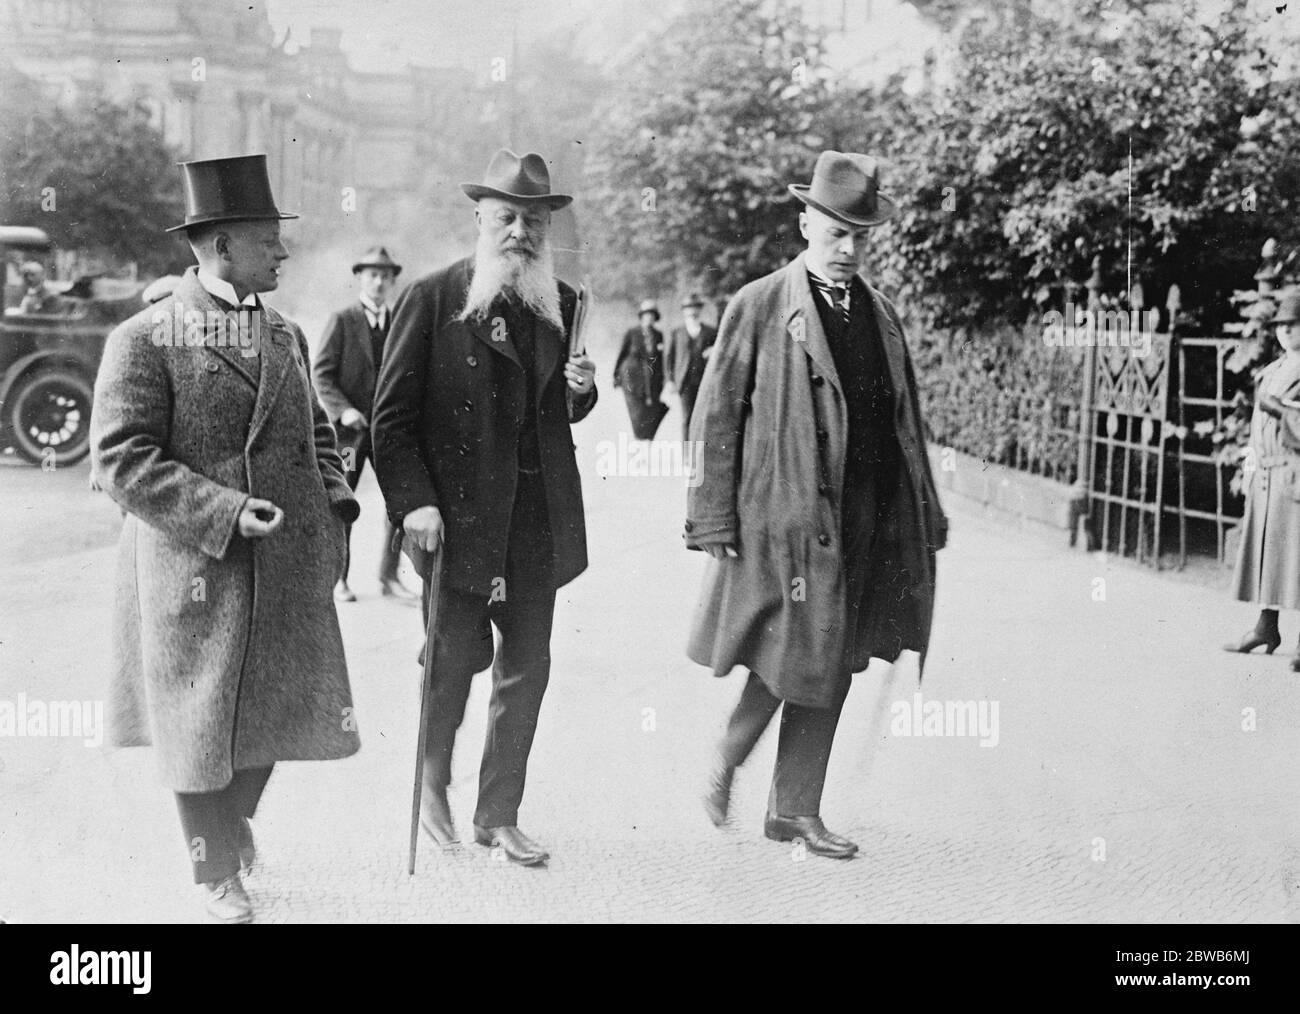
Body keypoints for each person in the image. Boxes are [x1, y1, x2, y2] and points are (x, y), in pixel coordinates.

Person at [90, 154, 361, 923]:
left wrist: (337, 507)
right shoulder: (145, 339)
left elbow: (316, 433)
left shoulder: (284, 334)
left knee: (273, 720)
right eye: (269, 240)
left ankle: (230, 823)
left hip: (281, 569)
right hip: (191, 568)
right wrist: (224, 511)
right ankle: (213, 870)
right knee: (195, 724)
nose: (282, 253)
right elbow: (118, 460)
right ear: (220, 248)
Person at [685, 150, 948, 859]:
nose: (847, 248)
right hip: (784, 514)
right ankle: (731, 754)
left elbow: (905, 421)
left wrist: (925, 511)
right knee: (796, 652)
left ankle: (792, 810)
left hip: (864, 514)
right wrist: (713, 517)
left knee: (833, 658)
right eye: (834, 232)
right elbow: (715, 417)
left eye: (860, 235)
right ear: (805, 223)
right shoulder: (761, 304)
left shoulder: (882, 315)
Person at [371, 148, 597, 866]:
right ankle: (432, 782)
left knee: (528, 665)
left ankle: (498, 813)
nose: (520, 233)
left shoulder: (557, 307)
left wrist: (580, 392)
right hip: (457, 522)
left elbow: (551, 413)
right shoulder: (433, 300)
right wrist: (413, 504)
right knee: (451, 660)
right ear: (479, 219)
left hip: (533, 522)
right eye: (507, 218)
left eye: (534, 221)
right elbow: (390, 421)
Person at [313, 245, 415, 603]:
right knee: (343, 503)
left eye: (385, 276)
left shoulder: (400, 320)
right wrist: (343, 410)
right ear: (360, 278)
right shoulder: (343, 319)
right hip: (350, 434)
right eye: (372, 275)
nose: (379, 282)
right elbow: (322, 374)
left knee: (398, 503)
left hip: (388, 432)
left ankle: (389, 578)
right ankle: (337, 579)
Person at [1226, 289, 1300, 670]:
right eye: (1281, 326)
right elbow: (1258, 424)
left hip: (1296, 471)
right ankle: (1266, 626)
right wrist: (1252, 466)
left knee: (1298, 557)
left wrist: (1283, 408)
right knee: (1271, 553)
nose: (1286, 331)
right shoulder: (1273, 370)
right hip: (1268, 472)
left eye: (1294, 324)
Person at [613, 299, 669, 440]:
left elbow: (659, 360)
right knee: (637, 414)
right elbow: (622, 354)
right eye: (646, 315)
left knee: (650, 413)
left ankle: (645, 442)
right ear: (642, 316)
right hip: (631, 379)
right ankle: (639, 442)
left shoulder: (658, 335)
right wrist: (615, 375)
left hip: (650, 381)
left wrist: (662, 379)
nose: (649, 318)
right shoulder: (632, 333)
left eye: (652, 315)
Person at [665, 293, 717, 440]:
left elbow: (719, 352)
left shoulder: (710, 332)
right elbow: (669, 358)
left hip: (704, 381)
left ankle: (701, 451)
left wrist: (713, 351)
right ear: (684, 311)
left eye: (695, 308)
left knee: (702, 416)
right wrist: (670, 380)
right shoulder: (677, 332)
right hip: (685, 381)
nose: (692, 312)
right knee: (687, 417)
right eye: (689, 308)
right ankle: (688, 455)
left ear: (700, 310)